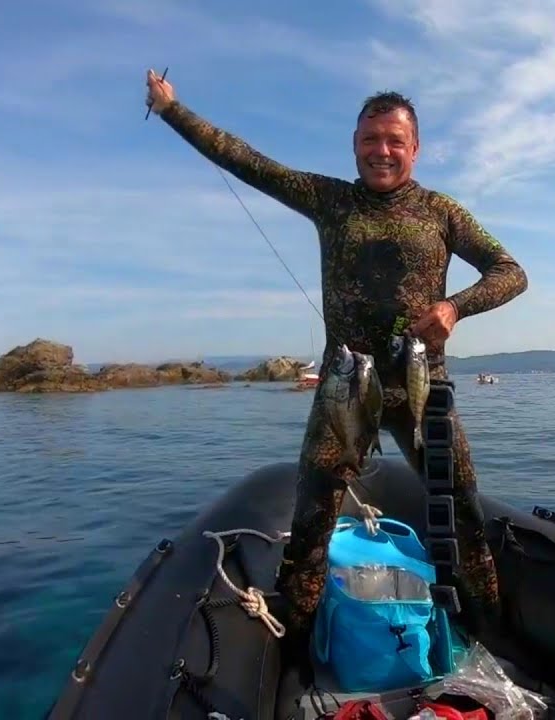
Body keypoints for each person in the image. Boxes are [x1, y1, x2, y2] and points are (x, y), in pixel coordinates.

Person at [144, 71, 528, 639]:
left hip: (421, 389)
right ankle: (298, 643)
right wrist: (173, 111)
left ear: (415, 149)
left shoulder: (442, 212)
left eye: (395, 140)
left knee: (463, 509)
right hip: (344, 390)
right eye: (371, 139)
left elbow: (511, 272)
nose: (382, 151)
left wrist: (454, 307)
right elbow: (247, 161)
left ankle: (492, 633)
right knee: (313, 519)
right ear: (354, 145)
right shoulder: (329, 200)